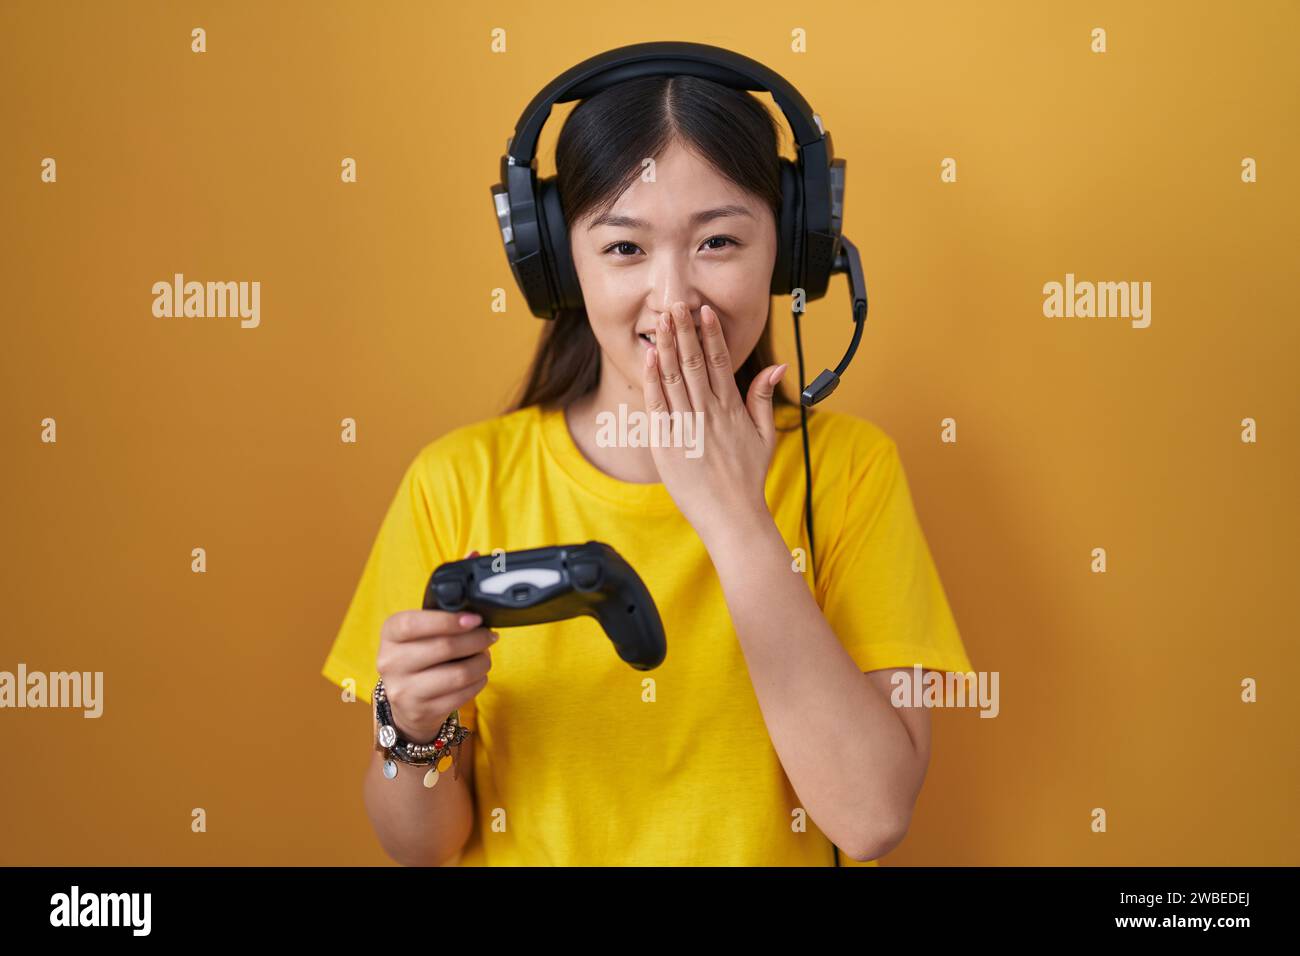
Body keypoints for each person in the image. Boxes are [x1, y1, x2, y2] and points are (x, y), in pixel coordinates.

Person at [321, 73, 973, 866]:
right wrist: (413, 732)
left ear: (790, 249)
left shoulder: (849, 472)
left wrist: (734, 513)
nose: (673, 300)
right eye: (625, 247)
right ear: (560, 267)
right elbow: (420, 850)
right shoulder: (455, 483)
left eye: (718, 242)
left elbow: (871, 818)